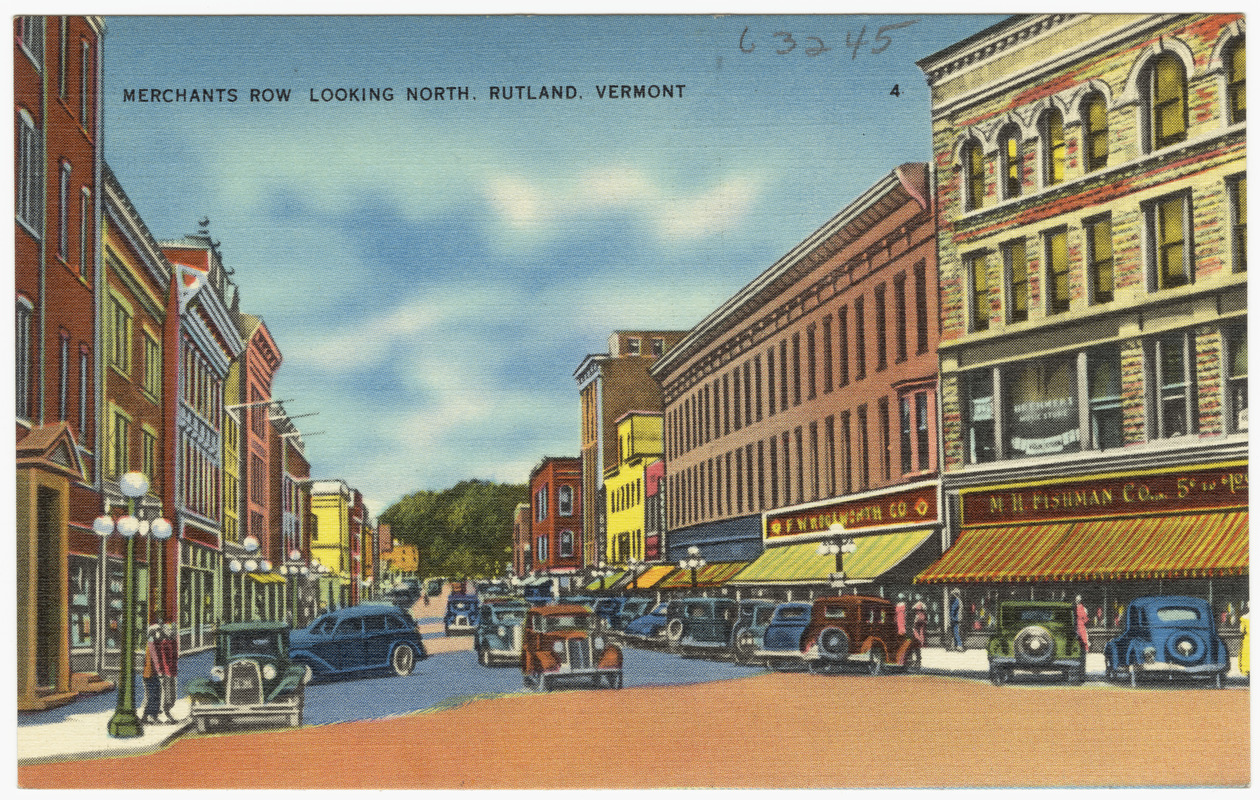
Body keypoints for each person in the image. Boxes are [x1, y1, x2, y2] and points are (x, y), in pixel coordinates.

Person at [140, 623, 162, 724]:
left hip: (150, 674)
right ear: (154, 633)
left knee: (153, 695)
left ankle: (146, 717)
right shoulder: (152, 643)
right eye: (158, 631)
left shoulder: (152, 642)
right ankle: (152, 716)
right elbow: (154, 659)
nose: (160, 634)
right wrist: (160, 671)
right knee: (154, 695)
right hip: (151, 674)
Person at [157, 622, 178, 724]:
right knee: (168, 695)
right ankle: (167, 714)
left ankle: (167, 712)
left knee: (173, 695)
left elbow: (174, 658)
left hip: (173, 672)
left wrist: (174, 671)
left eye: (170, 630)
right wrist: (167, 672)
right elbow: (164, 659)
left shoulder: (173, 642)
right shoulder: (164, 643)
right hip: (167, 673)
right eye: (167, 630)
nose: (170, 632)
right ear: (164, 631)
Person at [1240, 602, 1249, 678]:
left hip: (1248, 640)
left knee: (1246, 655)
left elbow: (1241, 630)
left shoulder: (1244, 618)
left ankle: (1247, 670)